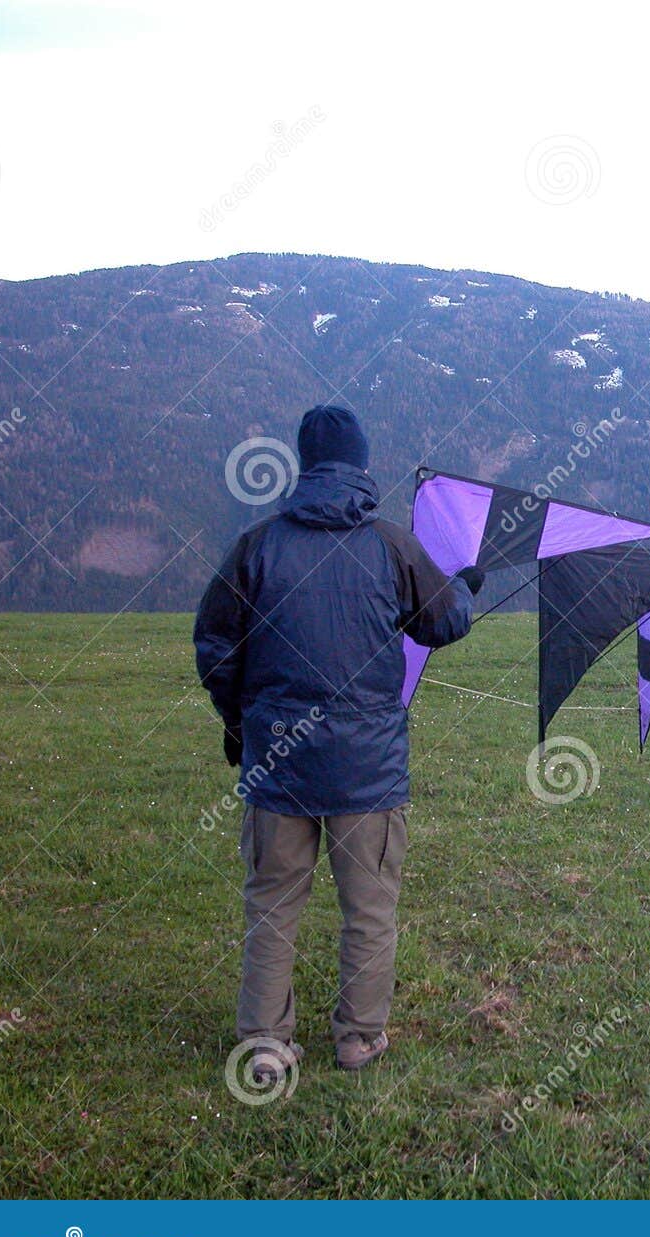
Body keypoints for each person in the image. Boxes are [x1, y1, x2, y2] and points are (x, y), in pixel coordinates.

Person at [194, 406, 483, 1083]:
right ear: (359, 462)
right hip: (367, 774)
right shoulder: (390, 545)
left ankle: (265, 1044)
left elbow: (214, 646)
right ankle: (358, 1040)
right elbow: (444, 625)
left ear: (302, 463)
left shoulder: (256, 546)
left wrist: (240, 725)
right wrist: (463, 589)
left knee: (271, 907)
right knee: (370, 910)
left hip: (279, 769)